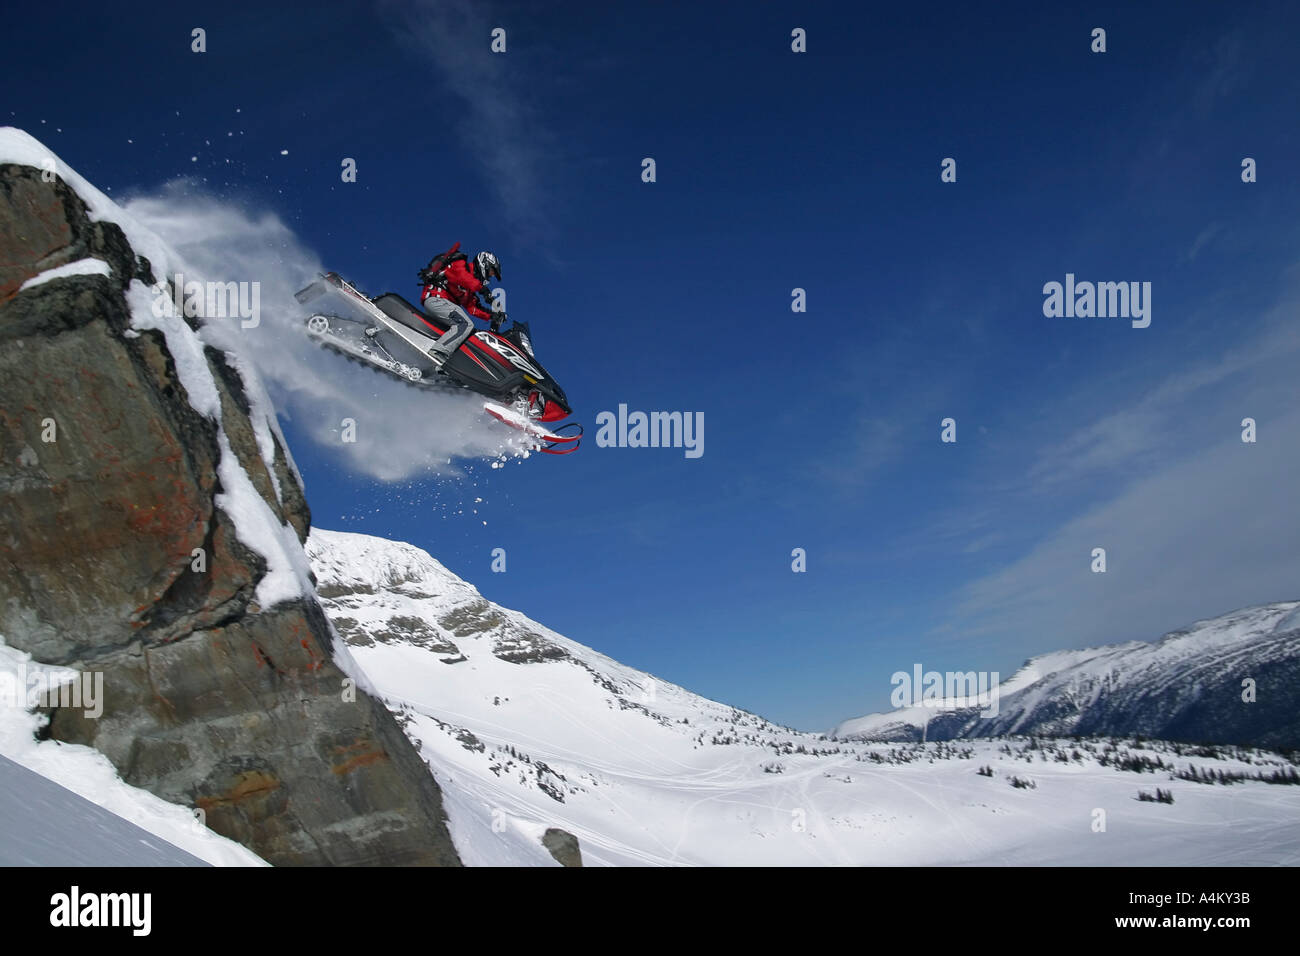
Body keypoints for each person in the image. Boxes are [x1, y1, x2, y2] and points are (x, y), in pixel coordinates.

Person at [418, 244, 504, 365]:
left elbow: (472, 307)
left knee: (470, 332)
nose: (490, 276)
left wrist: (492, 315)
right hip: (436, 299)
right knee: (465, 324)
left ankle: (450, 363)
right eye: (491, 271)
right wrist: (483, 290)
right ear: (484, 264)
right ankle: (438, 352)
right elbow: (463, 277)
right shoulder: (460, 264)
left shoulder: (468, 289)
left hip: (443, 306)